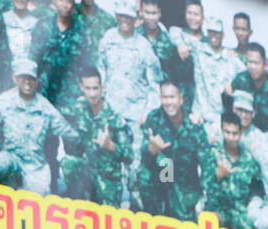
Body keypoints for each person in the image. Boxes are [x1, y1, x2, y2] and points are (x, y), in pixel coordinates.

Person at [0, 59, 81, 195]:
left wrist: (88, 133)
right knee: (0, 164)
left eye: (31, 78)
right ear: (15, 79)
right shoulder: (4, 101)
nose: (28, 83)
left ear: (37, 81)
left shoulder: (45, 107)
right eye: (23, 78)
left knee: (37, 202)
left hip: (36, 165)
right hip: (12, 158)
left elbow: (68, 131)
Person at [134, 79, 211, 221]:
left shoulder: (193, 124)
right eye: (165, 97)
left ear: (181, 99)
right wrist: (151, 149)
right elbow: (143, 154)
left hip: (185, 182)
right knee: (145, 175)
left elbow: (207, 162)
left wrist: (206, 197)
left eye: (172, 97)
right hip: (162, 176)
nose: (168, 102)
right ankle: (151, 216)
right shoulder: (154, 119)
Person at [97, 1, 161, 168]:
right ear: (116, 16)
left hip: (135, 116)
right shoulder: (107, 39)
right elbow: (100, 72)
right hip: (111, 113)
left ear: (135, 18)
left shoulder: (144, 46)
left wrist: (147, 112)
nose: (125, 20)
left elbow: (155, 83)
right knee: (109, 165)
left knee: (134, 165)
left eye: (129, 16)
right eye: (121, 16)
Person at [59, 66, 131, 205]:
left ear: (102, 88)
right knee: (68, 162)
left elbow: (129, 156)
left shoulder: (114, 116)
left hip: (108, 176)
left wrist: (111, 146)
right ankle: (77, 202)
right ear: (82, 88)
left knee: (107, 221)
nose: (92, 94)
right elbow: (55, 112)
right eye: (88, 88)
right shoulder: (79, 107)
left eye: (95, 88)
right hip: (88, 168)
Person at [201, 111, 260, 229]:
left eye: (235, 133)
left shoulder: (248, 158)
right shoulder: (213, 153)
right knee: (210, 224)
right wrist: (218, 174)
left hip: (238, 210)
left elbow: (257, 186)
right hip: (216, 207)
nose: (231, 137)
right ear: (222, 131)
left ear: (241, 133)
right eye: (227, 132)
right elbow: (204, 184)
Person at [29, 0, 89, 110]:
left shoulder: (80, 31)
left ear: (74, 5)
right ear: (55, 2)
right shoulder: (43, 26)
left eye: (69, 2)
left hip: (68, 97)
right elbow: (33, 60)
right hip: (42, 92)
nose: (65, 5)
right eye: (62, 0)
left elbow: (84, 66)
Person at [193, 17, 241, 144]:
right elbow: (176, 34)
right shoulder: (198, 50)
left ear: (223, 35)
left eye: (217, 32)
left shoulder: (230, 58)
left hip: (219, 118)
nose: (213, 36)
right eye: (211, 32)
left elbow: (249, 71)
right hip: (200, 115)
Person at [139, 0, 194, 108]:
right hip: (139, 100)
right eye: (147, 13)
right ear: (141, 12)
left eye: (154, 13)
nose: (150, 17)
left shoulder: (169, 41)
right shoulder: (135, 37)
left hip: (164, 101)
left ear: (160, 13)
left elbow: (181, 78)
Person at [231, 43, 268, 133]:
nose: (253, 67)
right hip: (243, 134)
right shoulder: (240, 81)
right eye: (250, 62)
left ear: (265, 65)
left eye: (256, 63)